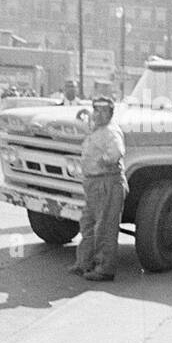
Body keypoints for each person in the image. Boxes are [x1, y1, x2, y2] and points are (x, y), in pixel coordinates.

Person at [68, 95, 126, 281]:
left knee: (105, 228)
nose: (99, 114)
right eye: (96, 110)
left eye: (104, 111)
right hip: (94, 184)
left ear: (111, 113)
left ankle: (104, 269)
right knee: (88, 224)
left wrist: (104, 161)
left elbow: (116, 153)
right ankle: (84, 263)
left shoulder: (111, 131)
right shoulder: (98, 130)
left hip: (106, 182)